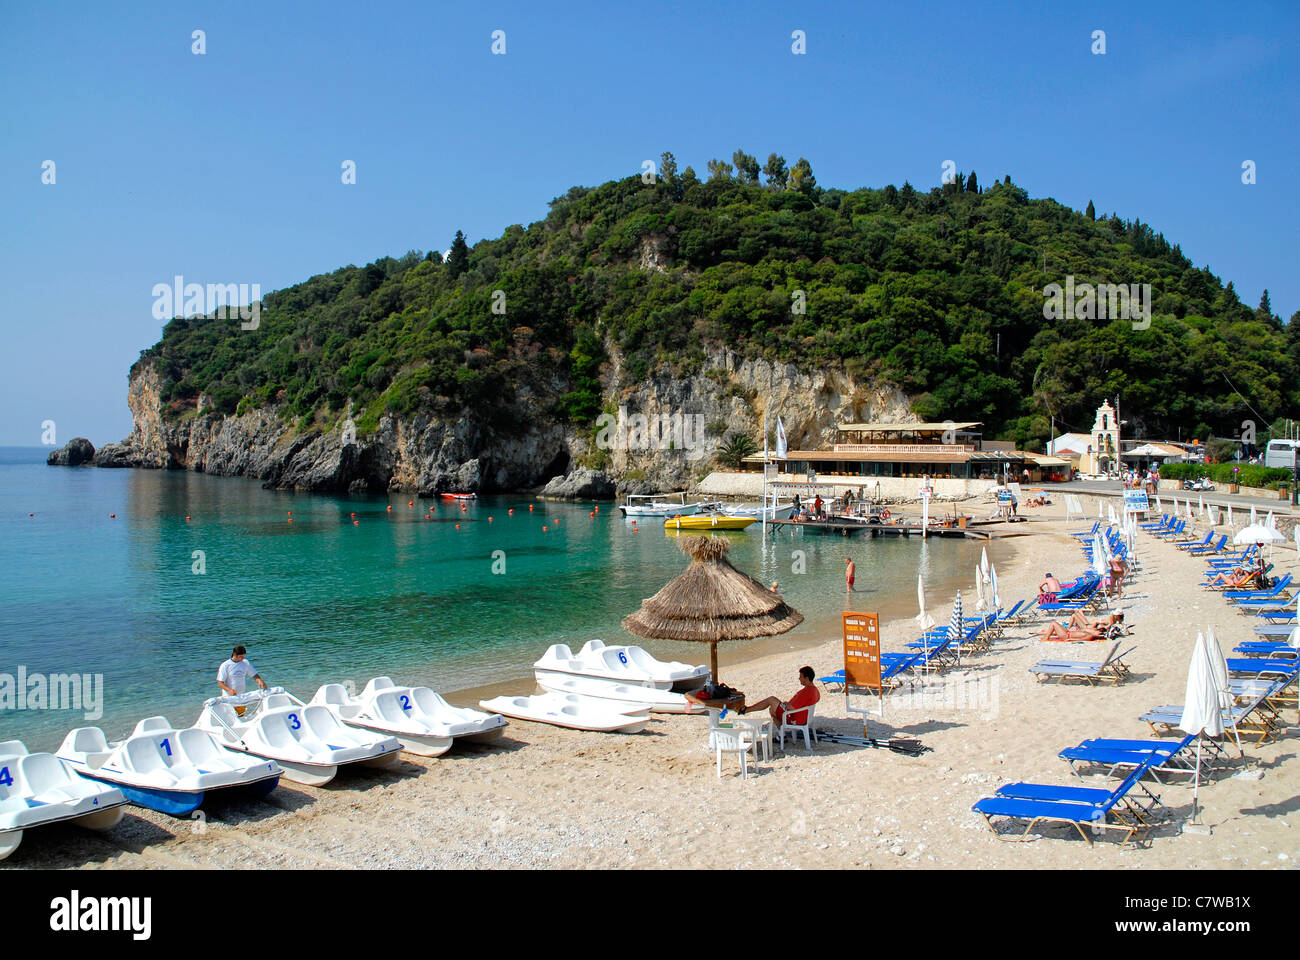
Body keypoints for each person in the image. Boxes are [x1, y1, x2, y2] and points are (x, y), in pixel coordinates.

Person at [740, 666, 820, 728]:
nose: (799, 678)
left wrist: (786, 705)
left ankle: (747, 710)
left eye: (801, 677)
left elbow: (792, 708)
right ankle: (782, 735)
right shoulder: (815, 690)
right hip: (802, 717)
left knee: (771, 700)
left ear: (806, 678)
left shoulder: (807, 692)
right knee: (772, 709)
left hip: (795, 719)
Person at [218, 645, 268, 714]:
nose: (242, 658)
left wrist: (260, 681)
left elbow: (254, 674)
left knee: (241, 715)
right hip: (229, 696)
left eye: (244, 656)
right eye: (241, 657)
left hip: (241, 696)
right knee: (231, 717)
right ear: (235, 654)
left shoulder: (245, 663)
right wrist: (229, 690)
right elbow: (220, 682)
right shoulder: (225, 665)